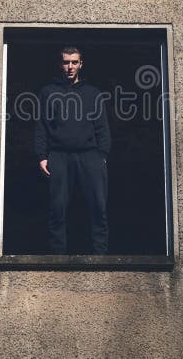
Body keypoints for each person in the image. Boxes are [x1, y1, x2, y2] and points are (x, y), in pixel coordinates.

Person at [35, 46, 111, 255]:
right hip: (59, 156)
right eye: (66, 62)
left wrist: (102, 156)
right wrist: (42, 156)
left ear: (81, 64)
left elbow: (102, 127)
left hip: (90, 156)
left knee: (98, 207)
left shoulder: (93, 93)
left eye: (74, 62)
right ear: (60, 64)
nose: (70, 67)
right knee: (57, 209)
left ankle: (100, 258)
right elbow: (41, 126)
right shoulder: (49, 92)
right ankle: (57, 260)